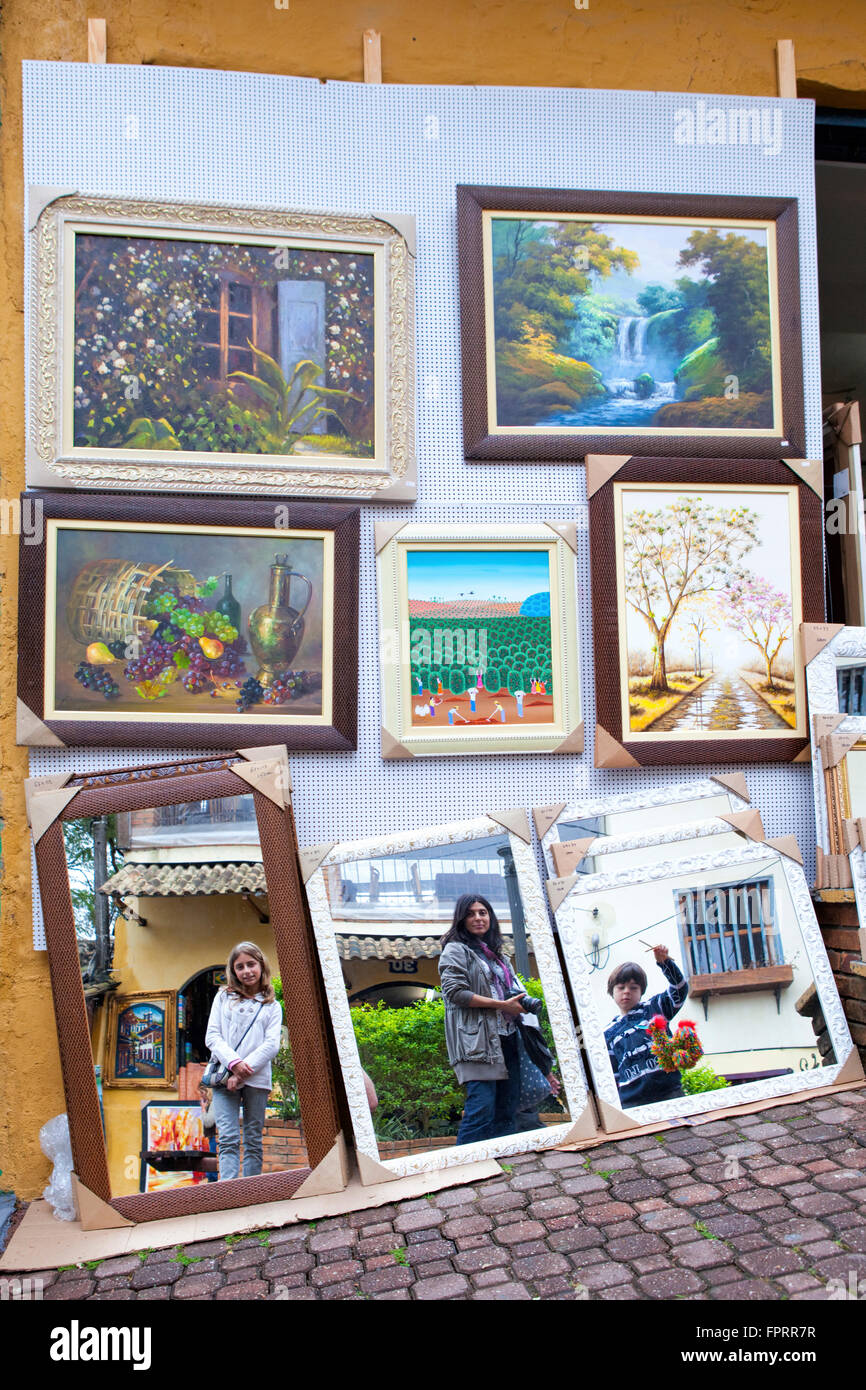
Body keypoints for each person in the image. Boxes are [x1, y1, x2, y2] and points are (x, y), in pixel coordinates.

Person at [438, 895, 530, 1145]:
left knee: (506, 1111)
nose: (478, 918)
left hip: (508, 1037)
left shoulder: (497, 954)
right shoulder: (456, 950)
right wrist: (502, 1005)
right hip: (476, 1043)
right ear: (461, 919)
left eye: (483, 912)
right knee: (480, 1110)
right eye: (471, 914)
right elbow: (455, 992)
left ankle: (507, 1168)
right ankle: (464, 1168)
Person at [205, 941, 283, 1180]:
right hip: (224, 1076)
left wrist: (241, 1073)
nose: (247, 971)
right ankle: (228, 1192)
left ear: (261, 965)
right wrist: (234, 1064)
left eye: (251, 964)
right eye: (240, 966)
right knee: (227, 1138)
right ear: (233, 971)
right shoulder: (223, 998)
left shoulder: (272, 1006)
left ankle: (251, 1192)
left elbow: (271, 1045)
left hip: (256, 1079)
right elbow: (213, 1036)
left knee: (252, 1139)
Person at [604, 945, 689, 1107]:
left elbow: (680, 989)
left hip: (670, 1093)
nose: (626, 992)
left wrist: (665, 963)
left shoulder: (655, 1008)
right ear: (612, 991)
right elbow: (612, 1073)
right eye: (621, 987)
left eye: (633, 988)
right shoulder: (608, 1033)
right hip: (631, 1102)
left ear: (641, 991)